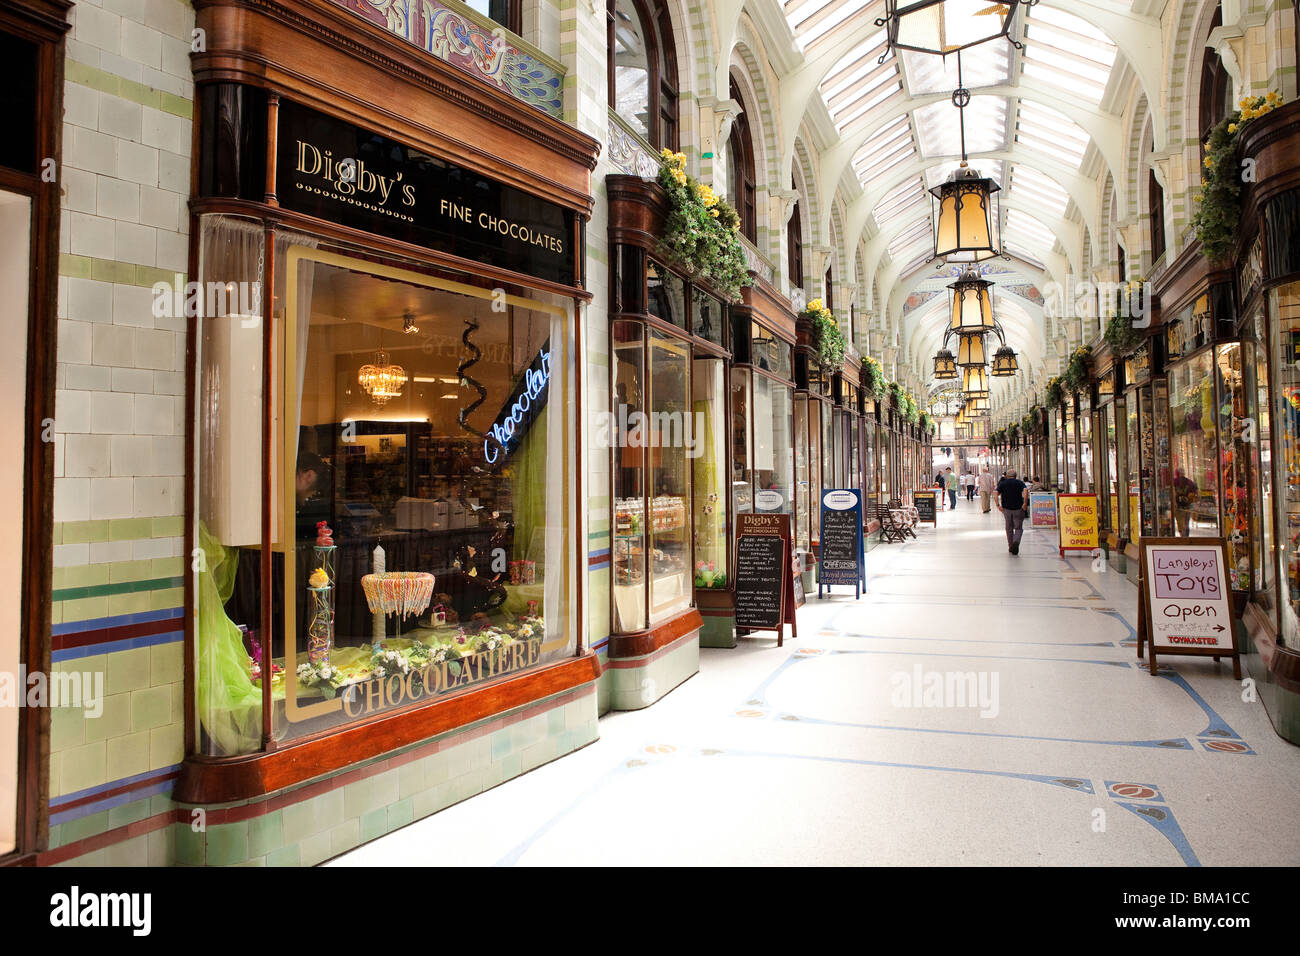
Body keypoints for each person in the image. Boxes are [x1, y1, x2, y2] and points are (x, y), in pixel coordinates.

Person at [996, 468, 1029, 555]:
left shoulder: (1003, 483)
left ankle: (1011, 546)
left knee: (1009, 528)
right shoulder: (1019, 482)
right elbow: (1026, 491)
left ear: (1007, 476)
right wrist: (1025, 503)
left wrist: (997, 505)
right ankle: (1016, 542)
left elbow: (995, 492)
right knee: (1018, 528)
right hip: (1018, 508)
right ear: (1015, 476)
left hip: (1006, 509)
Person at [1172, 468, 1198, 536]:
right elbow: (1195, 491)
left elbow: (1173, 492)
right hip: (1186, 505)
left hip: (1180, 505)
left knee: (1181, 522)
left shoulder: (1175, 481)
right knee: (1186, 521)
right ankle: (1185, 536)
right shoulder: (1189, 482)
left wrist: (1174, 502)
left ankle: (1183, 535)